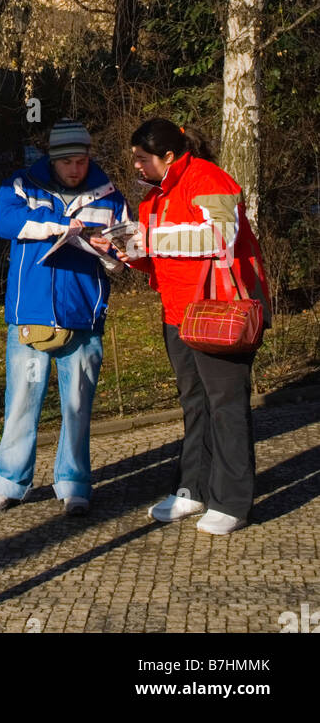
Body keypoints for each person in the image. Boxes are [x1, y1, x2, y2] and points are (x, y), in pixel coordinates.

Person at [101, 118, 270, 536]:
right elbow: (161, 254)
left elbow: (220, 236)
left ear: (169, 156)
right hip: (178, 313)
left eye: (142, 159)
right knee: (195, 402)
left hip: (221, 312)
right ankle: (193, 487)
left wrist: (151, 239)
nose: (136, 166)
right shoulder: (153, 196)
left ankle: (231, 500)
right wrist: (126, 250)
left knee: (226, 404)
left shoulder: (209, 178)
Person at [0, 119, 130, 515]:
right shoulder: (21, 186)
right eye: (67, 162)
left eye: (81, 161)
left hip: (84, 315)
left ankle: (74, 482)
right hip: (30, 315)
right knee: (22, 402)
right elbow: (6, 223)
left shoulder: (110, 194)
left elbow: (124, 250)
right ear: (51, 159)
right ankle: (10, 482)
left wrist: (111, 250)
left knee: (79, 405)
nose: (75, 170)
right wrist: (66, 226)